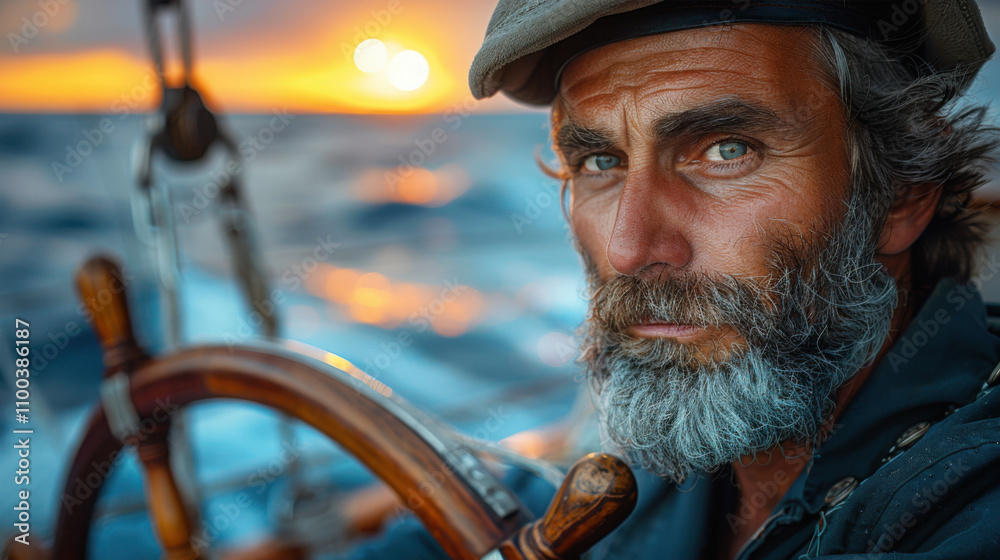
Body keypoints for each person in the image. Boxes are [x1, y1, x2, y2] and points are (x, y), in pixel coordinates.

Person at [350, 1, 1000, 558]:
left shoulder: (970, 509)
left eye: (726, 150)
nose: (632, 248)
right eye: (600, 160)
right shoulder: (673, 451)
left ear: (900, 193)